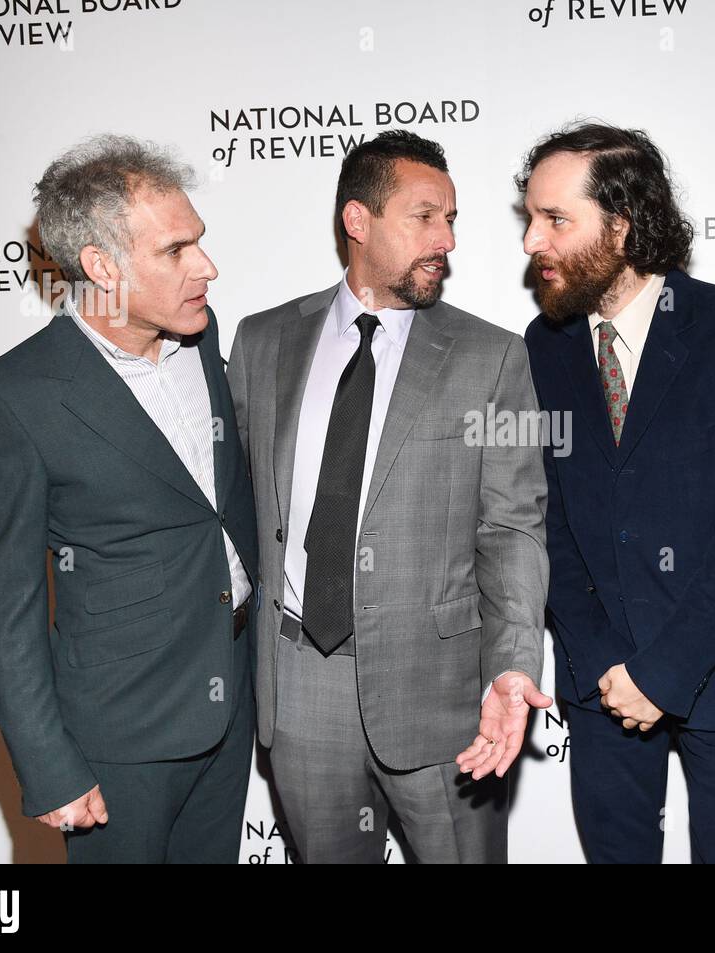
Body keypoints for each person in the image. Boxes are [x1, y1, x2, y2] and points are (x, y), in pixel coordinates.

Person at [227, 130, 549, 863]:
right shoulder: (263, 341)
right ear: (357, 221)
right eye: (424, 216)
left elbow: (512, 529)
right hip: (301, 689)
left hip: (442, 694)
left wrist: (513, 662)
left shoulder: (491, 356)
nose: (447, 239)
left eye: (453, 219)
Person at [0, 134, 258, 863]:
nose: (207, 268)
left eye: (201, 243)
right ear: (101, 267)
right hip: (120, 736)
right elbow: (8, 603)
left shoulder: (201, 330)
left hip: (232, 699)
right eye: (176, 251)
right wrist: (49, 765)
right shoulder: (14, 397)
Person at [519, 123, 715, 863]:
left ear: (622, 223)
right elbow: (547, 521)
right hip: (600, 677)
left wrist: (664, 671)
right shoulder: (541, 349)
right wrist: (608, 662)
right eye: (529, 218)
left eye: (555, 220)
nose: (531, 242)